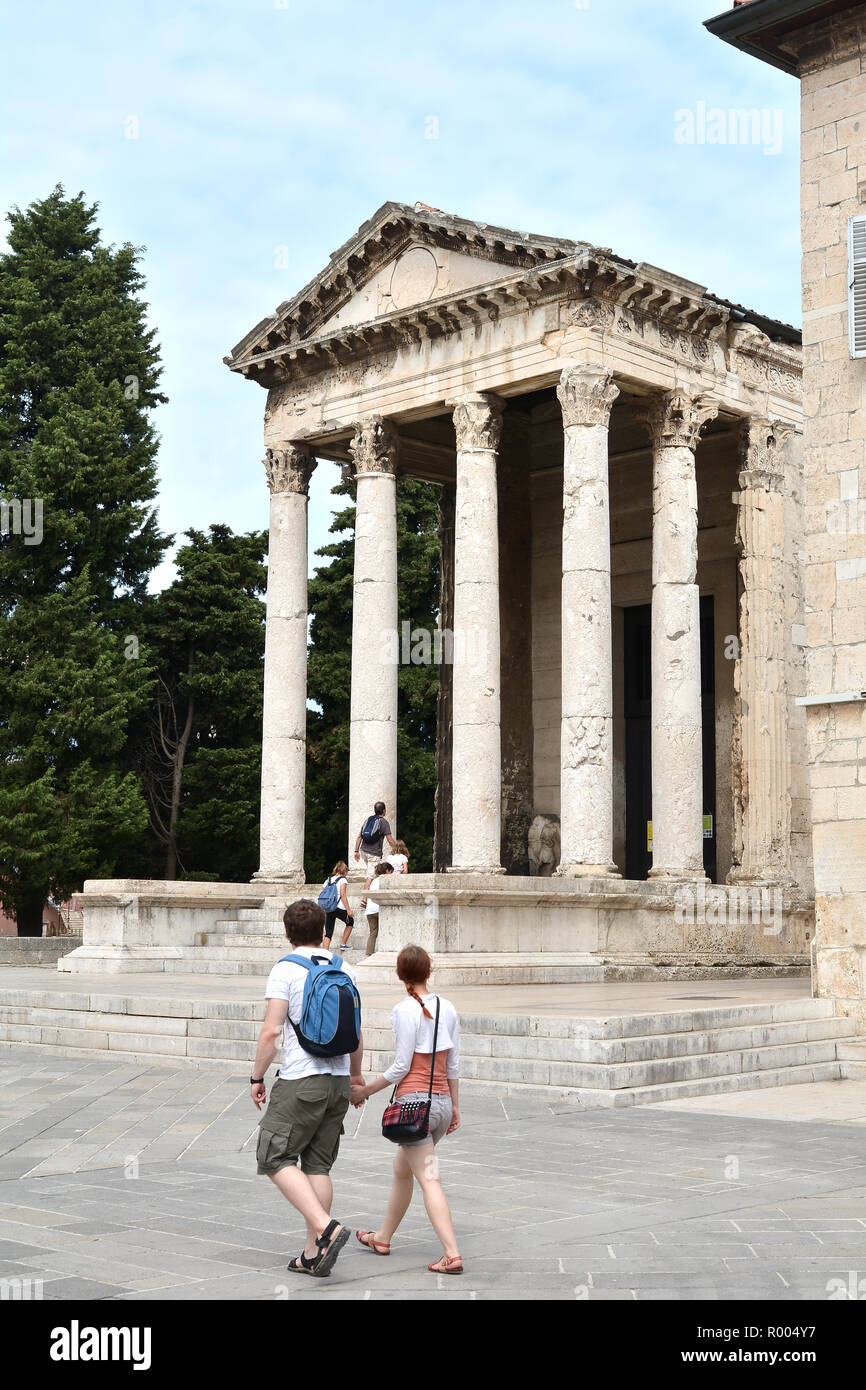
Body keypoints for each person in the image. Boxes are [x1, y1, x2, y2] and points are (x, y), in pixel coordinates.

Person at [250, 898, 364, 1278]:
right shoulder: (343, 967)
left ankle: (326, 1228)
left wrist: (257, 1077)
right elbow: (357, 1032)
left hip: (301, 1079)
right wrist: (356, 1077)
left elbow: (271, 1031)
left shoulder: (285, 969)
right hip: (337, 1082)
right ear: (322, 931)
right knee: (318, 1164)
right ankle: (312, 1253)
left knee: (273, 1155)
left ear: (288, 933)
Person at [351, 944, 463, 1274]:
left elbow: (401, 1066)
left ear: (401, 976)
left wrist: (366, 1090)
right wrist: (455, 1106)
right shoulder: (448, 1007)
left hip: (414, 1107)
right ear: (429, 972)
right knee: (403, 1169)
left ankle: (451, 1253)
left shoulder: (404, 1010)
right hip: (440, 1106)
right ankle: (382, 1237)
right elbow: (453, 1066)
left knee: (429, 1178)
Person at [353, 800, 397, 878]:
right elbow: (390, 840)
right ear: (384, 810)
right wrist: (397, 850)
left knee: (374, 873)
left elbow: (360, 836)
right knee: (372, 875)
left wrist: (356, 851)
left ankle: (371, 888)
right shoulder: (384, 822)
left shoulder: (369, 820)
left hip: (363, 851)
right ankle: (366, 889)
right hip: (373, 853)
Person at [360, 861, 394, 957]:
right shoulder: (386, 880)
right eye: (390, 872)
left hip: (370, 910)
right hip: (380, 909)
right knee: (387, 930)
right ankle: (385, 952)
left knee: (373, 934)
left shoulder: (374, 881)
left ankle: (368, 954)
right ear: (387, 871)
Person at [320, 861, 354, 949]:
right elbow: (343, 895)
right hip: (338, 907)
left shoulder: (328, 880)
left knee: (328, 932)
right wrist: (348, 910)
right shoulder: (343, 880)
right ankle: (343, 944)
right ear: (344, 870)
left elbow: (324, 892)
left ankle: (325, 952)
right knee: (350, 921)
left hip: (328, 907)